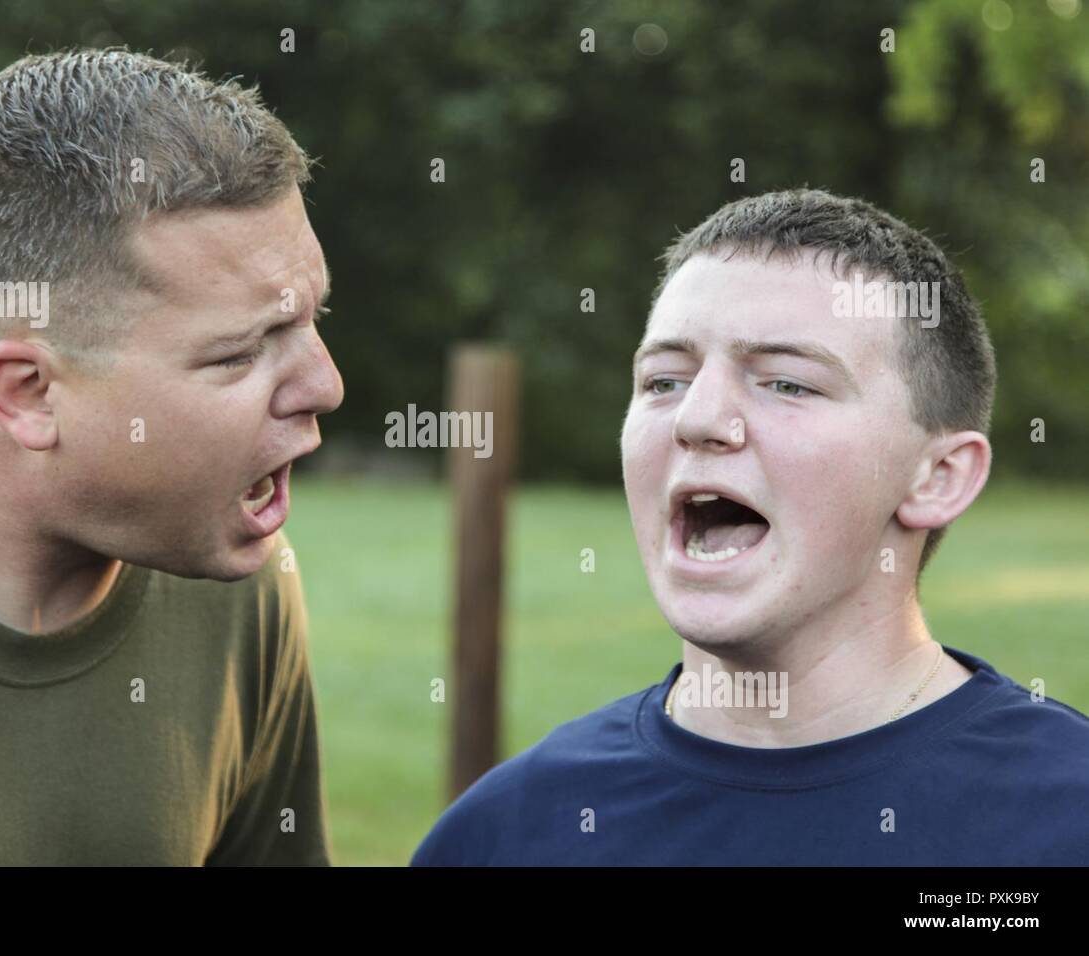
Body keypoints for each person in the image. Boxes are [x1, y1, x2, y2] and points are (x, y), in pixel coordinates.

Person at [412, 188, 1089, 866]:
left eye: (787, 383)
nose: (697, 419)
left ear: (938, 476)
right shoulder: (505, 835)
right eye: (663, 381)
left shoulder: (1062, 816)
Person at [0, 49, 343, 865]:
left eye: (311, 317)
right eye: (240, 352)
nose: (325, 384)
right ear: (29, 393)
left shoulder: (239, 588)